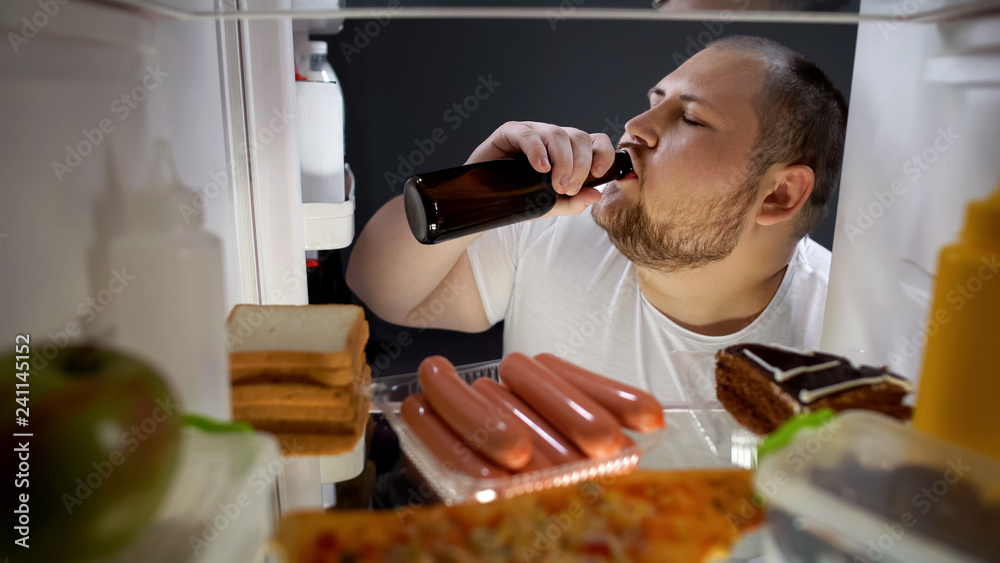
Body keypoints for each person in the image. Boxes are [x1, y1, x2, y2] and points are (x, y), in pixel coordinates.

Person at [347, 35, 847, 401]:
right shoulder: (555, 224)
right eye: (655, 104)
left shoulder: (843, 337)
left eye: (690, 119)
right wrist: (474, 187)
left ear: (778, 194)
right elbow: (377, 286)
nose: (635, 127)